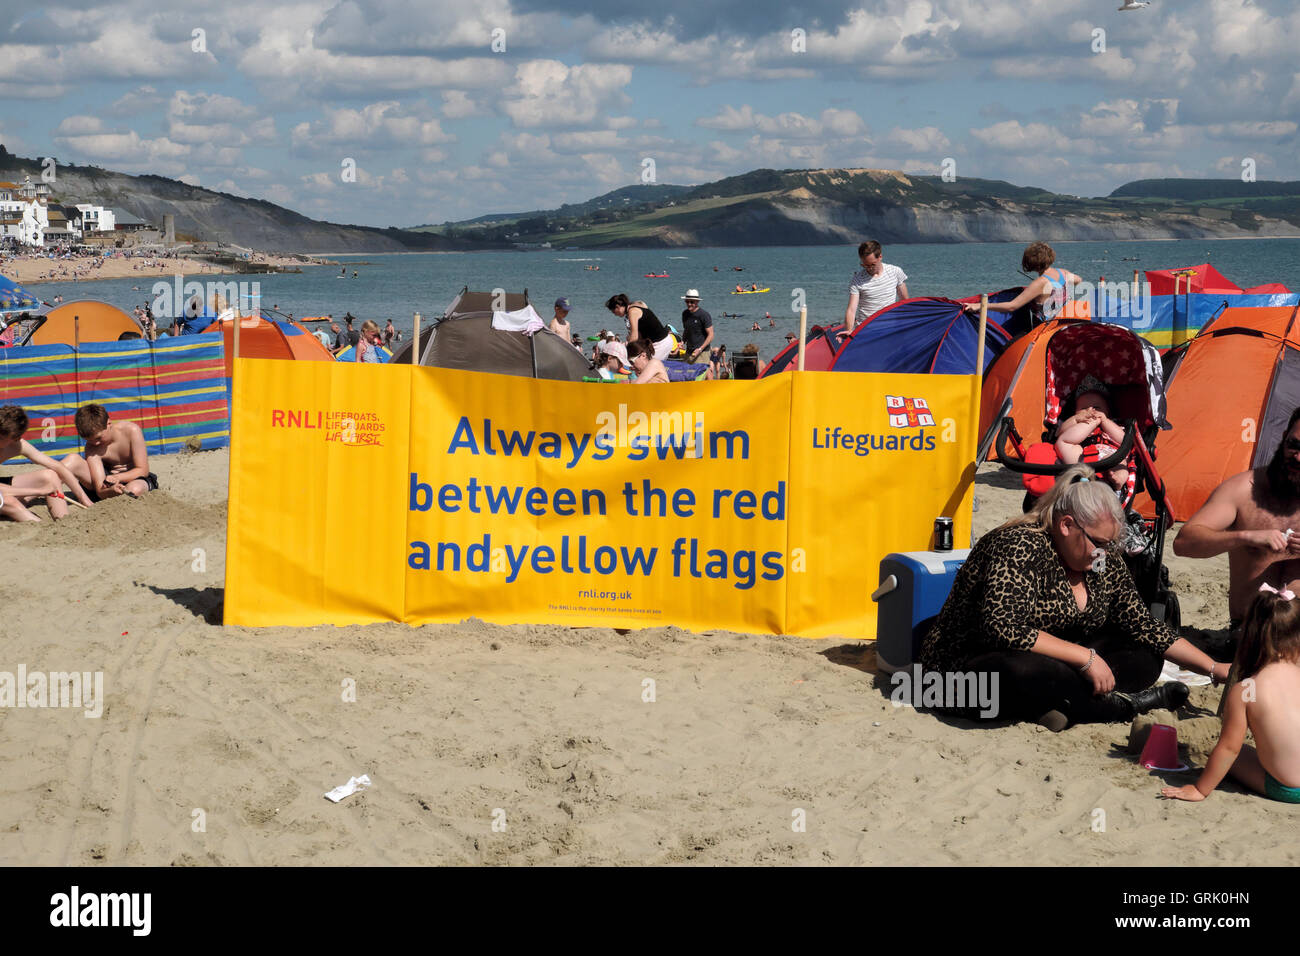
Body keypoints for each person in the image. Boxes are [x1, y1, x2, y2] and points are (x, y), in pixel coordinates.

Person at [919, 464, 1229, 730]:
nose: (1105, 552)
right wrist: (1085, 658)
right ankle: (1119, 708)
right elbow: (1003, 628)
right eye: (1099, 543)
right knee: (1025, 671)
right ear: (1067, 525)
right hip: (970, 664)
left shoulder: (1101, 556)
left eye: (1110, 544)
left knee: (1145, 654)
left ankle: (1061, 705)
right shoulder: (1018, 546)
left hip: (1059, 659)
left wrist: (1213, 668)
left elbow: (1143, 624)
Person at [1161, 585, 1300, 803]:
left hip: (1289, 789)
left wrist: (1200, 790)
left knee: (1238, 753)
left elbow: (1229, 748)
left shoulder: (1246, 691)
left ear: (1249, 636)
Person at [1173, 406, 1300, 634]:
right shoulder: (1244, 489)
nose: (1298, 458)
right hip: (1249, 635)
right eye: (1294, 445)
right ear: (1283, 439)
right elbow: (1183, 544)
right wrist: (1245, 536)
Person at [0, 406, 93, 520]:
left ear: (16, 438)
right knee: (11, 502)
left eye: (1, 437)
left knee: (50, 476)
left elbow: (57, 466)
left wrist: (83, 498)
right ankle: (42, 526)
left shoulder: (18, 445)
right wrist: (39, 491)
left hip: (4, 487)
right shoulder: (9, 438)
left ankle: (64, 522)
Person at [965, 241, 1080, 322]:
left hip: (1045, 331)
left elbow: (1012, 306)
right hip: (1064, 325)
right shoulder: (1063, 273)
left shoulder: (1040, 283)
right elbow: (1078, 280)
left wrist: (981, 305)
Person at [64, 403, 157, 499]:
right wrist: (111, 491)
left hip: (136, 478)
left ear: (109, 423)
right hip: (109, 483)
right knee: (72, 459)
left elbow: (143, 470)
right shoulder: (91, 447)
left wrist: (117, 477)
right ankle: (51, 481)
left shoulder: (131, 430)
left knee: (133, 489)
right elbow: (100, 490)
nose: (95, 443)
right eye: (88, 440)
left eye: (98, 438)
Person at [1054, 378, 1130, 496]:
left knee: (1121, 459)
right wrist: (1076, 420)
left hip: (1108, 458)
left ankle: (1118, 480)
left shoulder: (1112, 425)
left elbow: (1125, 441)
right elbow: (1060, 433)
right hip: (1080, 458)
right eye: (1083, 408)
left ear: (1108, 412)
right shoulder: (1075, 422)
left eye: (1097, 408)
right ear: (1075, 411)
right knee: (1062, 442)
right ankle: (1078, 476)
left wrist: (1103, 421)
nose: (1090, 410)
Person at [843, 240, 909, 336]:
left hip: (890, 328)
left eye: (872, 264)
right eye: (865, 265)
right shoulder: (857, 279)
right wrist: (849, 330)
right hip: (866, 329)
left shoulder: (895, 272)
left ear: (880, 257)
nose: (868, 268)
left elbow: (904, 300)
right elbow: (851, 309)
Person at [605, 293, 672, 361]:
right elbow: (639, 336)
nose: (615, 314)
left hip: (660, 343)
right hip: (662, 341)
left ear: (618, 306)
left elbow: (634, 337)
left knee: (646, 365)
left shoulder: (632, 312)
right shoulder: (636, 305)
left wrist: (624, 351)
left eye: (614, 311)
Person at [679, 290, 713, 363]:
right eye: (687, 301)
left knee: (701, 373)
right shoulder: (685, 314)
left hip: (702, 352)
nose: (689, 304)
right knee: (686, 373)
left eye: (691, 302)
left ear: (697, 302)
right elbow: (686, 330)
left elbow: (711, 335)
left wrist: (700, 349)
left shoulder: (704, 315)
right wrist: (682, 342)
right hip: (689, 351)